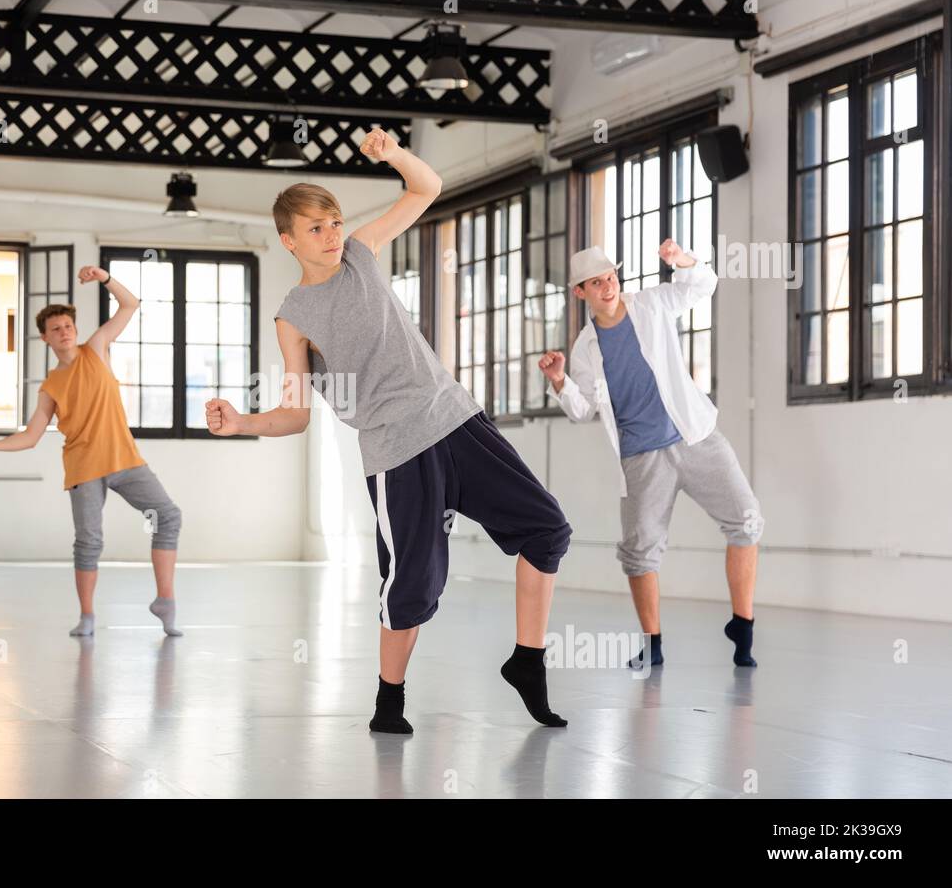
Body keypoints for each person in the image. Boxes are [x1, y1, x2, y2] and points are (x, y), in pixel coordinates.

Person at [206, 129, 573, 733]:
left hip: (456, 420)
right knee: (412, 586)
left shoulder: (361, 251)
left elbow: (426, 188)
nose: (329, 235)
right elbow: (297, 413)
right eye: (315, 228)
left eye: (333, 222)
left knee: (547, 529)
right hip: (397, 451)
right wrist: (242, 422)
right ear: (288, 239)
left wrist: (394, 156)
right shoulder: (293, 318)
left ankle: (527, 661)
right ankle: (389, 703)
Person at [538, 242, 761, 668]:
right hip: (641, 458)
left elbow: (704, 285)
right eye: (596, 282)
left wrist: (685, 261)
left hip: (694, 436)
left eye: (611, 277)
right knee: (639, 551)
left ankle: (743, 625)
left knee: (747, 520)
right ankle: (653, 644)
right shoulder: (585, 349)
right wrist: (559, 379)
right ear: (580, 292)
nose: (608, 286)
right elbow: (583, 410)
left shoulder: (652, 304)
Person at [0, 266, 183, 638]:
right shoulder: (51, 385)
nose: (63, 332)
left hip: (125, 459)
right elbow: (30, 436)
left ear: (75, 330)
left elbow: (130, 305)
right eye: (55, 329)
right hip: (84, 469)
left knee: (167, 515)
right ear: (45, 338)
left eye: (67, 326)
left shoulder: (96, 350)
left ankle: (165, 600)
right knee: (89, 542)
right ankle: (87, 617)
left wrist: (104, 277)